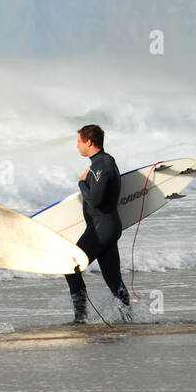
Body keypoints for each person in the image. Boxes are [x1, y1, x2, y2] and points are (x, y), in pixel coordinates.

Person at [65, 124, 132, 324]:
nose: (77, 146)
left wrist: (81, 183)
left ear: (89, 142)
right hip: (106, 228)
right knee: (113, 280)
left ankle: (80, 318)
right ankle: (128, 318)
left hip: (101, 229)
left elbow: (95, 199)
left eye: (79, 142)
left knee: (71, 267)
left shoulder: (102, 165)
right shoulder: (104, 162)